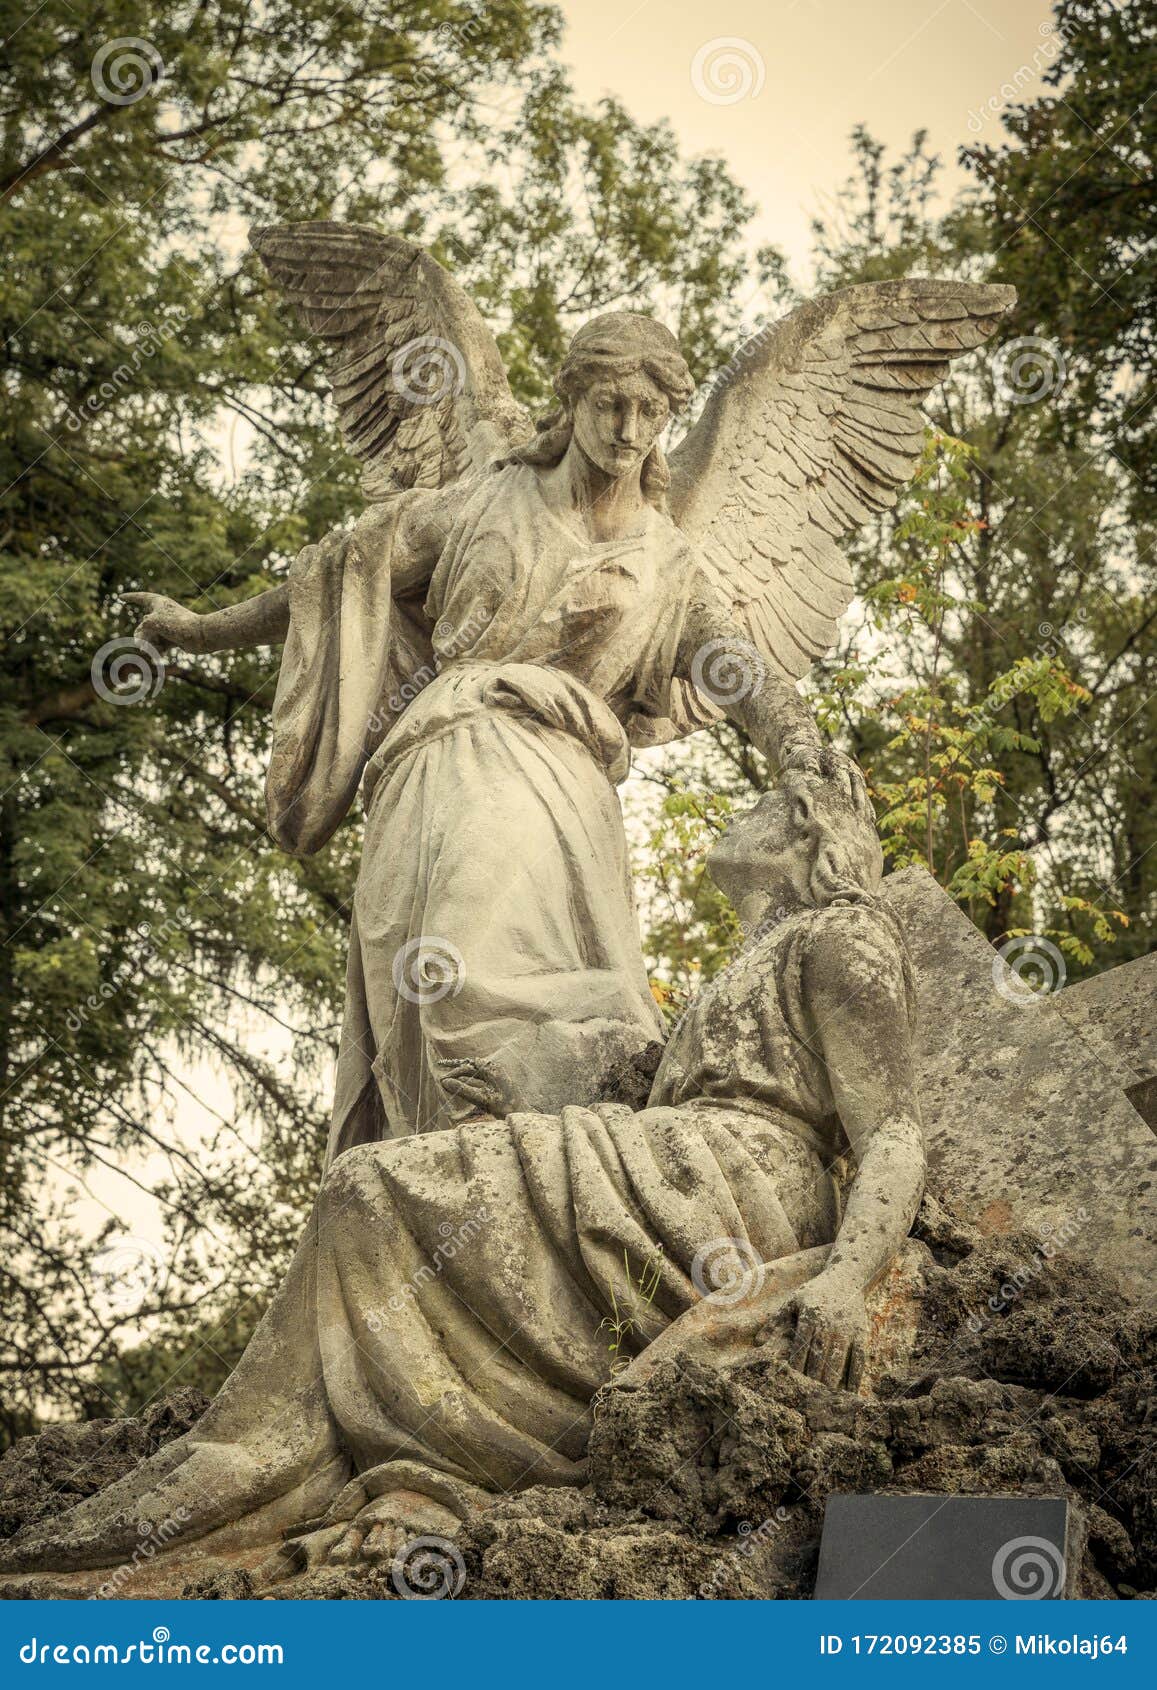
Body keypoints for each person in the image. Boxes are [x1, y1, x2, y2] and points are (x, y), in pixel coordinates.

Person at [0, 767, 922, 1585]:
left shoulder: (844, 936)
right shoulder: (750, 957)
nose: (742, 812)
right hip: (663, 1164)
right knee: (364, 1191)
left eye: (763, 799)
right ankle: (285, 1456)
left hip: (732, 1185)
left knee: (367, 1190)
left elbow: (893, 1134)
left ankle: (263, 1462)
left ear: (802, 823)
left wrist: (848, 1277)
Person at [123, 314, 856, 1160]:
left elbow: (740, 670)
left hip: (560, 780)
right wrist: (197, 631)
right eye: (610, 405)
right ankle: (445, 1154)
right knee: (423, 963)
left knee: (495, 964)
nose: (627, 431)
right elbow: (335, 578)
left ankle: (524, 1148)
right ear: (571, 398)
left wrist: (802, 749)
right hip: (443, 751)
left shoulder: (669, 560)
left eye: (648, 414)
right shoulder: (485, 500)